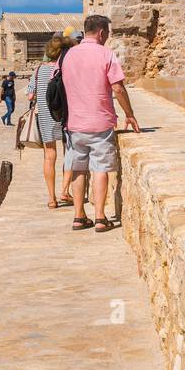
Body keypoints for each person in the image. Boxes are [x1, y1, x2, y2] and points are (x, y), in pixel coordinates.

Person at [61, 15, 139, 232]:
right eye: (107, 34)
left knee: (77, 169)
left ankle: (78, 216)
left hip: (75, 122)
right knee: (100, 169)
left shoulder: (68, 56)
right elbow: (118, 88)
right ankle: (100, 217)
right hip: (100, 122)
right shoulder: (106, 54)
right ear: (102, 32)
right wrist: (130, 114)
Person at [28, 36, 75, 209]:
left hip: (46, 116)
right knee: (69, 152)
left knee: (49, 156)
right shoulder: (67, 69)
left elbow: (30, 95)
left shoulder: (39, 70)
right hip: (65, 114)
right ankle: (65, 190)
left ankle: (51, 198)